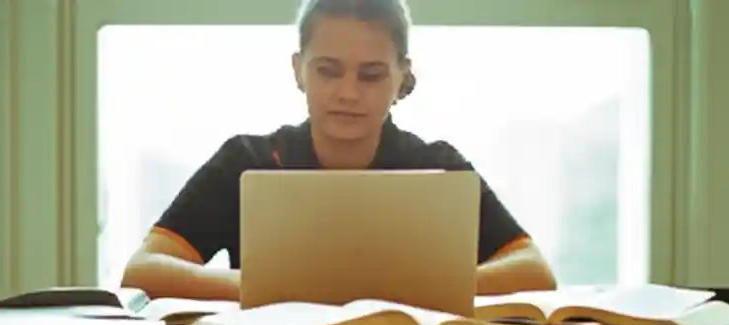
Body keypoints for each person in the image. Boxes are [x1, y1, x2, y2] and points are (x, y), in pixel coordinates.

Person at [122, 0, 557, 300]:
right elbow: (142, 270)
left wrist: (429, 292)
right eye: (328, 72)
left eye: (370, 75)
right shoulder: (246, 161)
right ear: (298, 70)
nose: (348, 93)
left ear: (401, 77)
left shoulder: (436, 167)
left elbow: (534, 271)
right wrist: (259, 290)